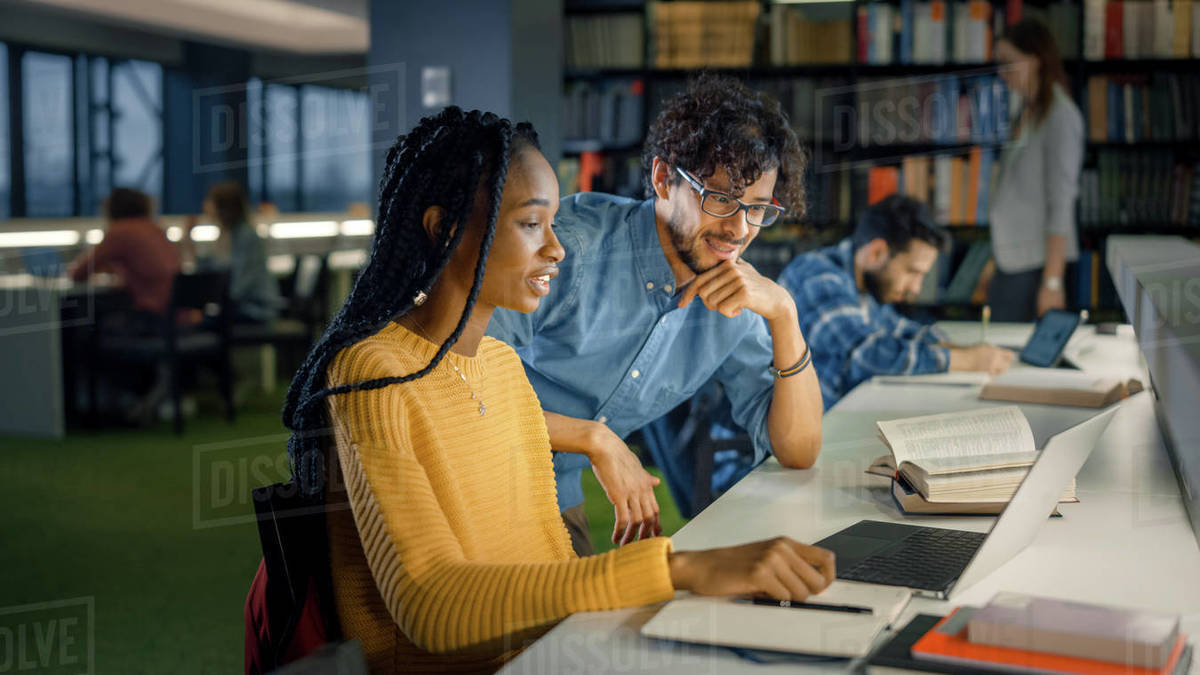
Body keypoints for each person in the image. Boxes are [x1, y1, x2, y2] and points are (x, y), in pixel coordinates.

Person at [275, 107, 835, 673]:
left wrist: (784, 313)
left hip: (537, 637)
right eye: (531, 225)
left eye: (757, 209)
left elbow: (546, 568)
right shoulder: (377, 377)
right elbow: (435, 606)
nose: (557, 249)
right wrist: (677, 569)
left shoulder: (497, 367)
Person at [487, 75, 824, 556]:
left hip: (554, 494)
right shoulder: (570, 248)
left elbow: (799, 450)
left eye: (757, 210)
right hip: (471, 474)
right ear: (664, 178)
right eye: (721, 199)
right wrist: (595, 439)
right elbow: (461, 389)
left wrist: (785, 315)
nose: (738, 229)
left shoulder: (735, 299)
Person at [779, 195, 1016, 410]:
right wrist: (967, 360)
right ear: (877, 252)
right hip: (802, 434)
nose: (916, 288)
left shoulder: (863, 284)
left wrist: (964, 350)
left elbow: (900, 331)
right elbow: (865, 355)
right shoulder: (818, 277)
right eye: (912, 272)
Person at [988, 18, 1083, 322]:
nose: (1002, 72)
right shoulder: (1025, 112)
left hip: (1037, 267)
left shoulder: (1060, 116)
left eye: (1008, 62)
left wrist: (1052, 282)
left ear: (1035, 59)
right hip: (1012, 261)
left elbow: (1061, 202)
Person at [68, 188, 179, 314]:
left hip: (149, 309)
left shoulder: (120, 231)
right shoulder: (156, 229)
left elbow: (78, 273)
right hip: (173, 309)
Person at [183, 181, 281, 323]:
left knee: (200, 324)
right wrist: (189, 240)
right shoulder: (227, 235)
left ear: (223, 207)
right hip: (240, 307)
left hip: (256, 309)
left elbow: (238, 285)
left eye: (209, 201)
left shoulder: (246, 236)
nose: (205, 206)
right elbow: (209, 270)